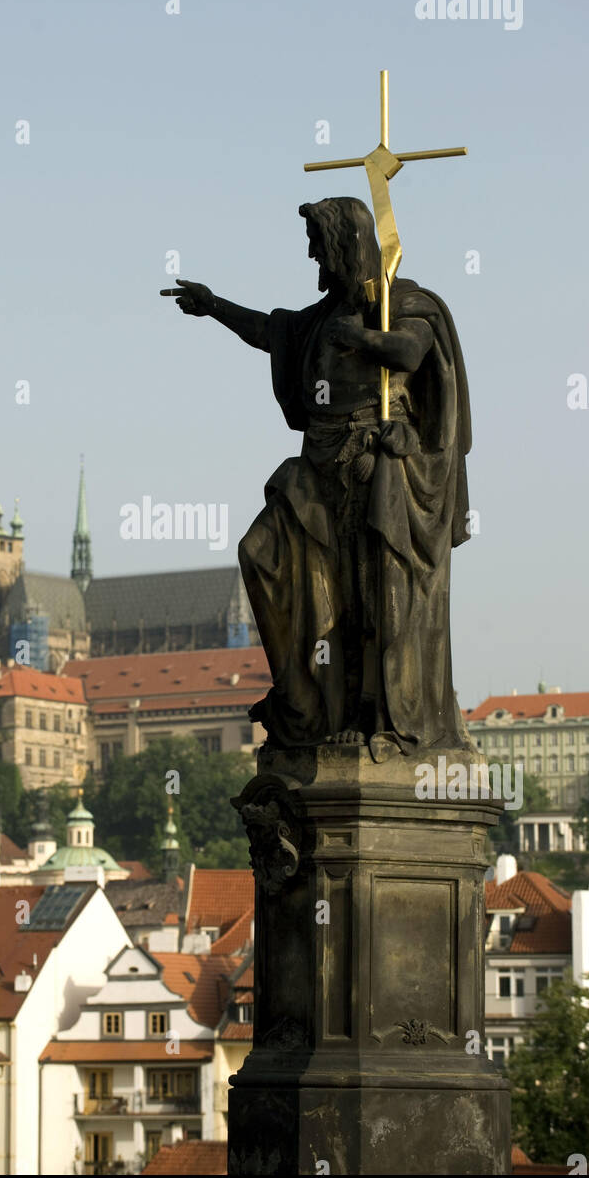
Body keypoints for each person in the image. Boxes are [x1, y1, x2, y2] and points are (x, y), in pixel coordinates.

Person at [165, 197, 473, 765]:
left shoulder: (403, 302)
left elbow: (408, 350)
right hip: (318, 463)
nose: (310, 253)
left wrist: (356, 336)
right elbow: (270, 331)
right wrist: (214, 307)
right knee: (261, 553)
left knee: (374, 591)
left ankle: (377, 717)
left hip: (377, 464)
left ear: (344, 244)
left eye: (316, 242)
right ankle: (302, 702)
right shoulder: (325, 313)